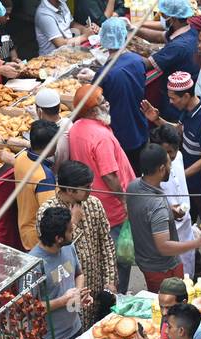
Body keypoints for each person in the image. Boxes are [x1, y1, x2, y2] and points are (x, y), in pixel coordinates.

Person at [69, 84, 136, 291]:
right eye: (101, 101)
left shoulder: (77, 128)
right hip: (112, 210)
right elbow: (109, 175)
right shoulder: (101, 137)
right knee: (119, 260)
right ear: (91, 110)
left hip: (94, 205)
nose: (107, 103)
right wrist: (124, 201)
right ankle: (118, 300)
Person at [38, 162, 118, 329]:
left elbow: (106, 243)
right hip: (68, 293)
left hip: (96, 285)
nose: (91, 191)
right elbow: (54, 246)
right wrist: (73, 221)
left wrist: (110, 280)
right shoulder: (47, 212)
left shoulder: (94, 204)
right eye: (86, 188)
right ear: (69, 190)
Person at [128, 145, 201, 288]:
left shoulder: (133, 186)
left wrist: (170, 211)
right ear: (161, 169)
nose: (171, 166)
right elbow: (164, 246)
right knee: (172, 305)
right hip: (163, 269)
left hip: (146, 262)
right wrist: (197, 242)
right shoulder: (157, 206)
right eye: (169, 163)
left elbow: (146, 213)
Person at [145, 72, 201, 223]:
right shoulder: (187, 109)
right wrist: (157, 120)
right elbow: (179, 130)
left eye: (173, 98)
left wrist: (181, 175)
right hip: (188, 179)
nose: (170, 102)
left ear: (186, 96)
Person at [30, 206, 88, 339]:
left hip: (76, 328)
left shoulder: (68, 247)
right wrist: (63, 301)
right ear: (58, 238)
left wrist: (78, 293)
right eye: (69, 230)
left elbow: (79, 274)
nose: (73, 232)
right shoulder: (33, 265)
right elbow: (30, 309)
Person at [97, 18, 151, 162]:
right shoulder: (138, 60)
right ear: (125, 36)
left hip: (120, 136)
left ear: (103, 40)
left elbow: (94, 101)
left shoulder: (104, 74)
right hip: (140, 128)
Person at [150, 126, 201, 277]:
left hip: (185, 226)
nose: (170, 156)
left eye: (173, 151)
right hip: (168, 233)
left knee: (189, 272)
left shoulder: (178, 157)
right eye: (167, 152)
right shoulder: (151, 173)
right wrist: (170, 210)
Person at [149, 0, 200, 123]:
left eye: (164, 15)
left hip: (176, 101)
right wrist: (134, 29)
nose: (162, 17)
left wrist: (125, 55)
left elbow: (148, 63)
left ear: (172, 18)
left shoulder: (178, 46)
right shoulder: (189, 31)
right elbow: (160, 36)